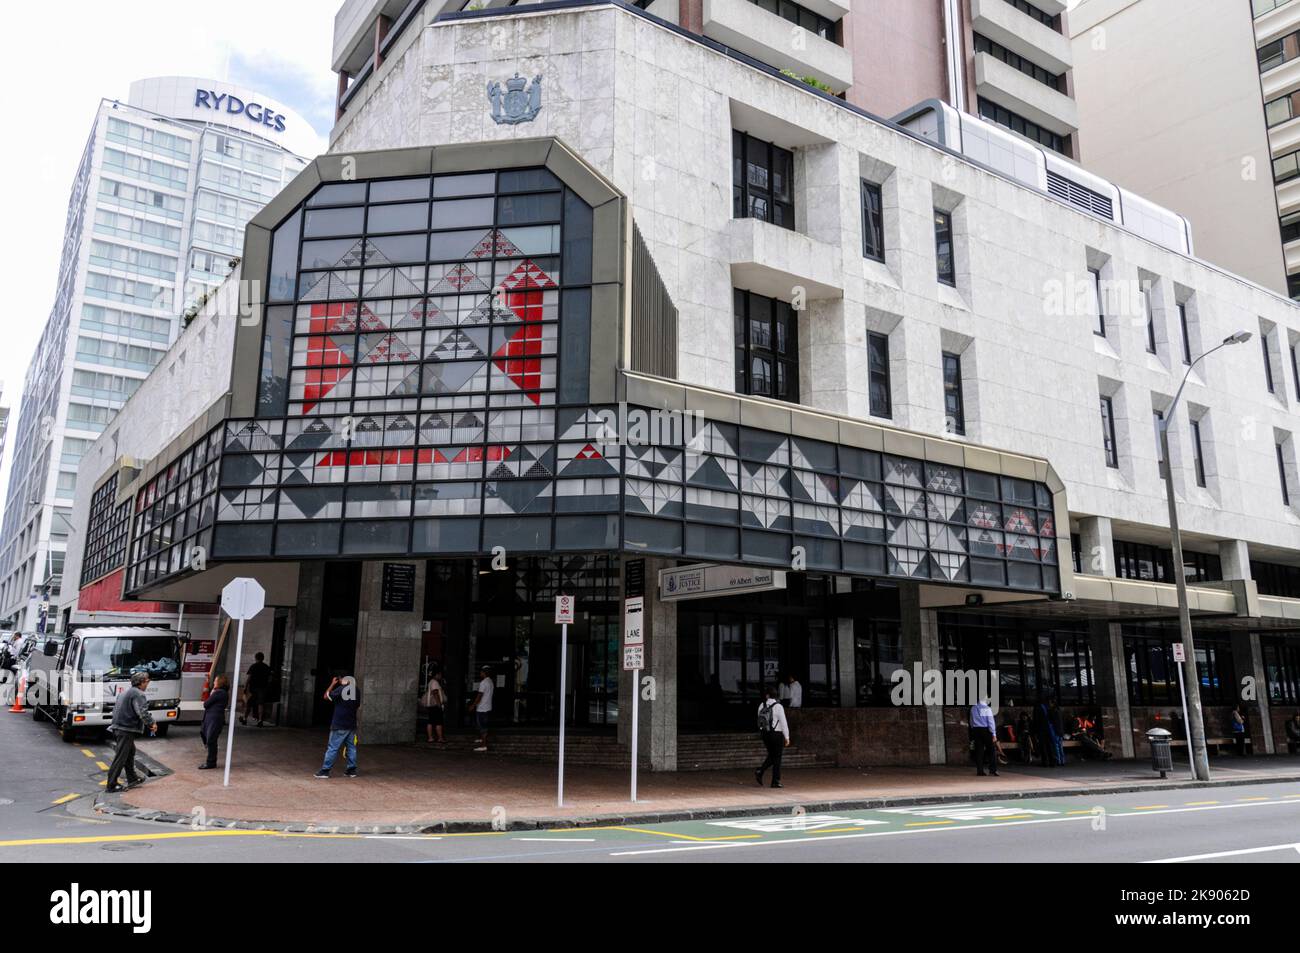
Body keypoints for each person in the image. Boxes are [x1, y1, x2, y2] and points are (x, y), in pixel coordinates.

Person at [106, 672, 157, 792]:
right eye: (147, 681)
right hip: (125, 728)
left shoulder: (124, 692)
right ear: (142, 682)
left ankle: (132, 778)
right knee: (121, 757)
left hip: (118, 727)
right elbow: (142, 713)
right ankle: (111, 785)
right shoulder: (138, 694)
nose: (148, 683)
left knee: (130, 752)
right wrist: (152, 723)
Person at [314, 674, 361, 779]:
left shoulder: (341, 689)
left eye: (340, 680)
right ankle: (351, 770)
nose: (339, 681)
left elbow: (326, 696)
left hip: (340, 724)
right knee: (351, 748)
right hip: (351, 724)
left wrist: (332, 684)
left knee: (333, 748)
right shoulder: (357, 691)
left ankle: (325, 771)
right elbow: (357, 706)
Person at [754, 685, 790, 789]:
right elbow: (783, 723)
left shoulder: (761, 705)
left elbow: (759, 719)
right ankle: (775, 781)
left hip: (765, 734)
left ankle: (760, 771)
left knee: (772, 755)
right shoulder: (778, 706)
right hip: (776, 734)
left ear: (767, 695)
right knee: (777, 757)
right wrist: (787, 737)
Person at [199, 675, 230, 769]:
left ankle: (211, 762)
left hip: (214, 719)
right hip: (211, 718)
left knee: (211, 740)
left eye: (216, 681)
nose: (214, 682)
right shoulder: (221, 692)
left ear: (220, 682)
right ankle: (210, 758)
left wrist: (212, 693)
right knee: (206, 735)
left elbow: (206, 703)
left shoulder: (219, 693)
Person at [240, 652, 273, 727]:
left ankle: (245, 719)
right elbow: (270, 678)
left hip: (253, 689)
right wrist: (267, 685)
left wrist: (245, 687)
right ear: (263, 658)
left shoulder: (253, 666)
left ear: (255, 658)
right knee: (260, 704)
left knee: (248, 704)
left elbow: (249, 678)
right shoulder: (266, 667)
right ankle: (260, 720)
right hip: (262, 688)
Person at [969, 698, 999, 776]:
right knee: (991, 750)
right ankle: (993, 770)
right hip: (986, 730)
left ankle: (980, 771)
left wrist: (974, 728)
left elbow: (971, 721)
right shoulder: (987, 709)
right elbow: (991, 722)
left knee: (979, 751)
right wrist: (994, 734)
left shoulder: (973, 708)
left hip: (976, 730)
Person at [469, 666, 494, 752]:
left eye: (481, 672)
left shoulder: (483, 682)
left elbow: (479, 695)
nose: (480, 673)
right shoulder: (490, 681)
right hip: (488, 707)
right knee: (483, 726)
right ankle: (482, 739)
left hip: (482, 708)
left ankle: (483, 745)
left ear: (484, 673)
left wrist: (473, 705)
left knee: (482, 727)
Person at [421, 665, 446, 744]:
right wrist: (439, 704)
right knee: (438, 722)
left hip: (432, 706)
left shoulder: (431, 682)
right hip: (435, 705)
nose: (441, 676)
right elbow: (435, 693)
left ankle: (430, 738)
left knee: (431, 721)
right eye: (440, 674)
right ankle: (440, 738)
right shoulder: (434, 682)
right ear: (437, 674)